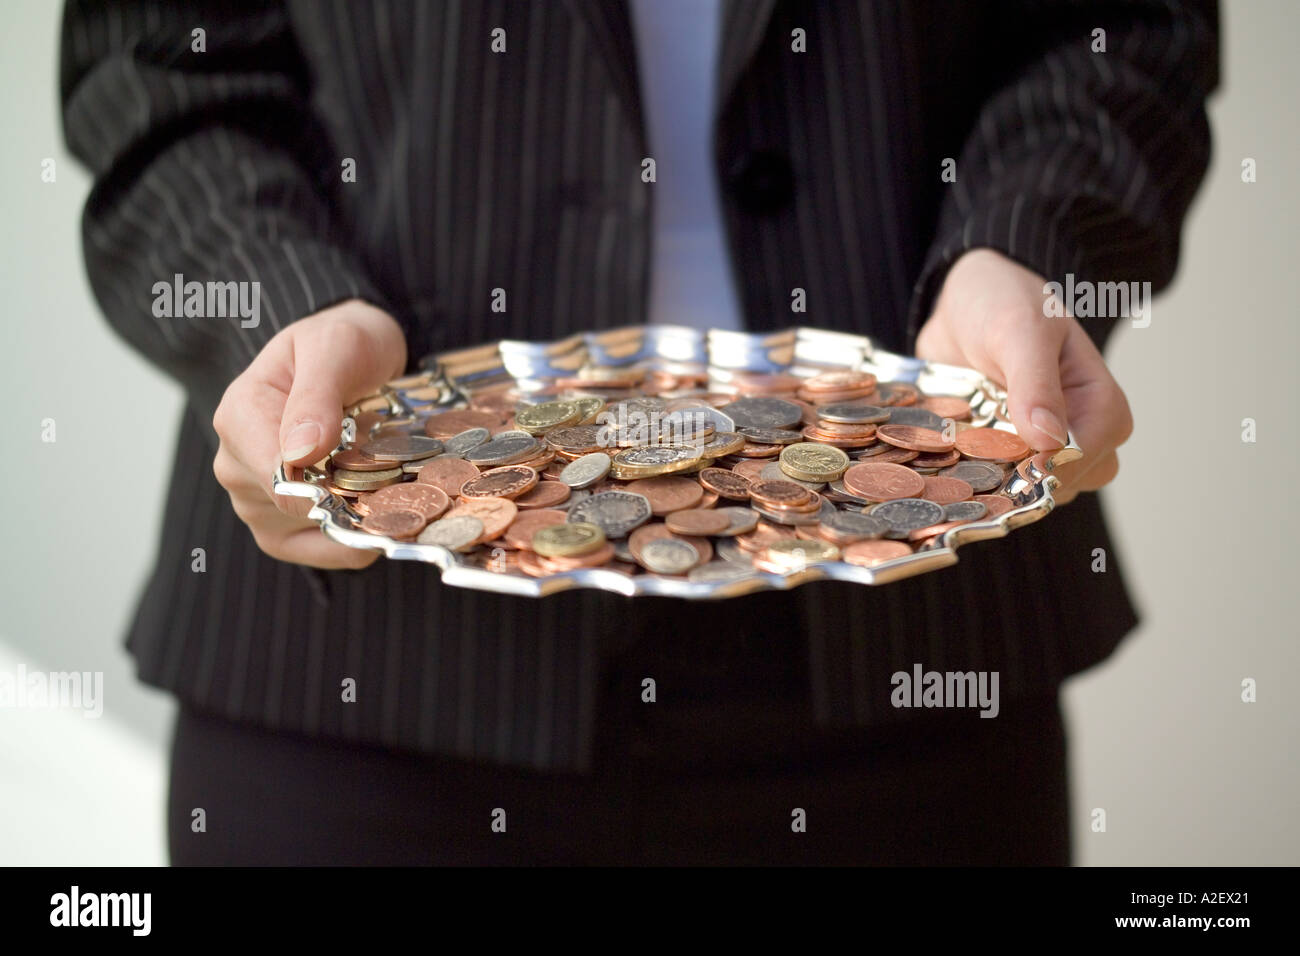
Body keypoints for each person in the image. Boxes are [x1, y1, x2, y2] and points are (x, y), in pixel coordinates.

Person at [60, 0, 1217, 865]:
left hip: (908, 652)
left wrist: (1029, 237)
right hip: (362, 675)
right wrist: (280, 304)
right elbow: (156, 63)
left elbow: (1121, 27)